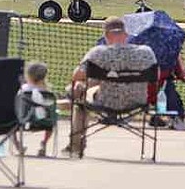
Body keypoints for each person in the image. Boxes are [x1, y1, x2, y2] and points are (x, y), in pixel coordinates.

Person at [67, 17, 157, 155]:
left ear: (106, 35)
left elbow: (76, 76)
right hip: (137, 101)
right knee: (83, 87)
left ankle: (76, 145)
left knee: (78, 92)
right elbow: (155, 76)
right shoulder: (146, 52)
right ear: (126, 34)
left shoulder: (98, 53)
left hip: (106, 100)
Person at [18, 62, 53, 157]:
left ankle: (18, 145)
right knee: (51, 121)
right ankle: (44, 143)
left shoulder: (23, 90)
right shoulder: (47, 91)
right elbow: (51, 108)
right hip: (44, 122)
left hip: (23, 121)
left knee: (12, 123)